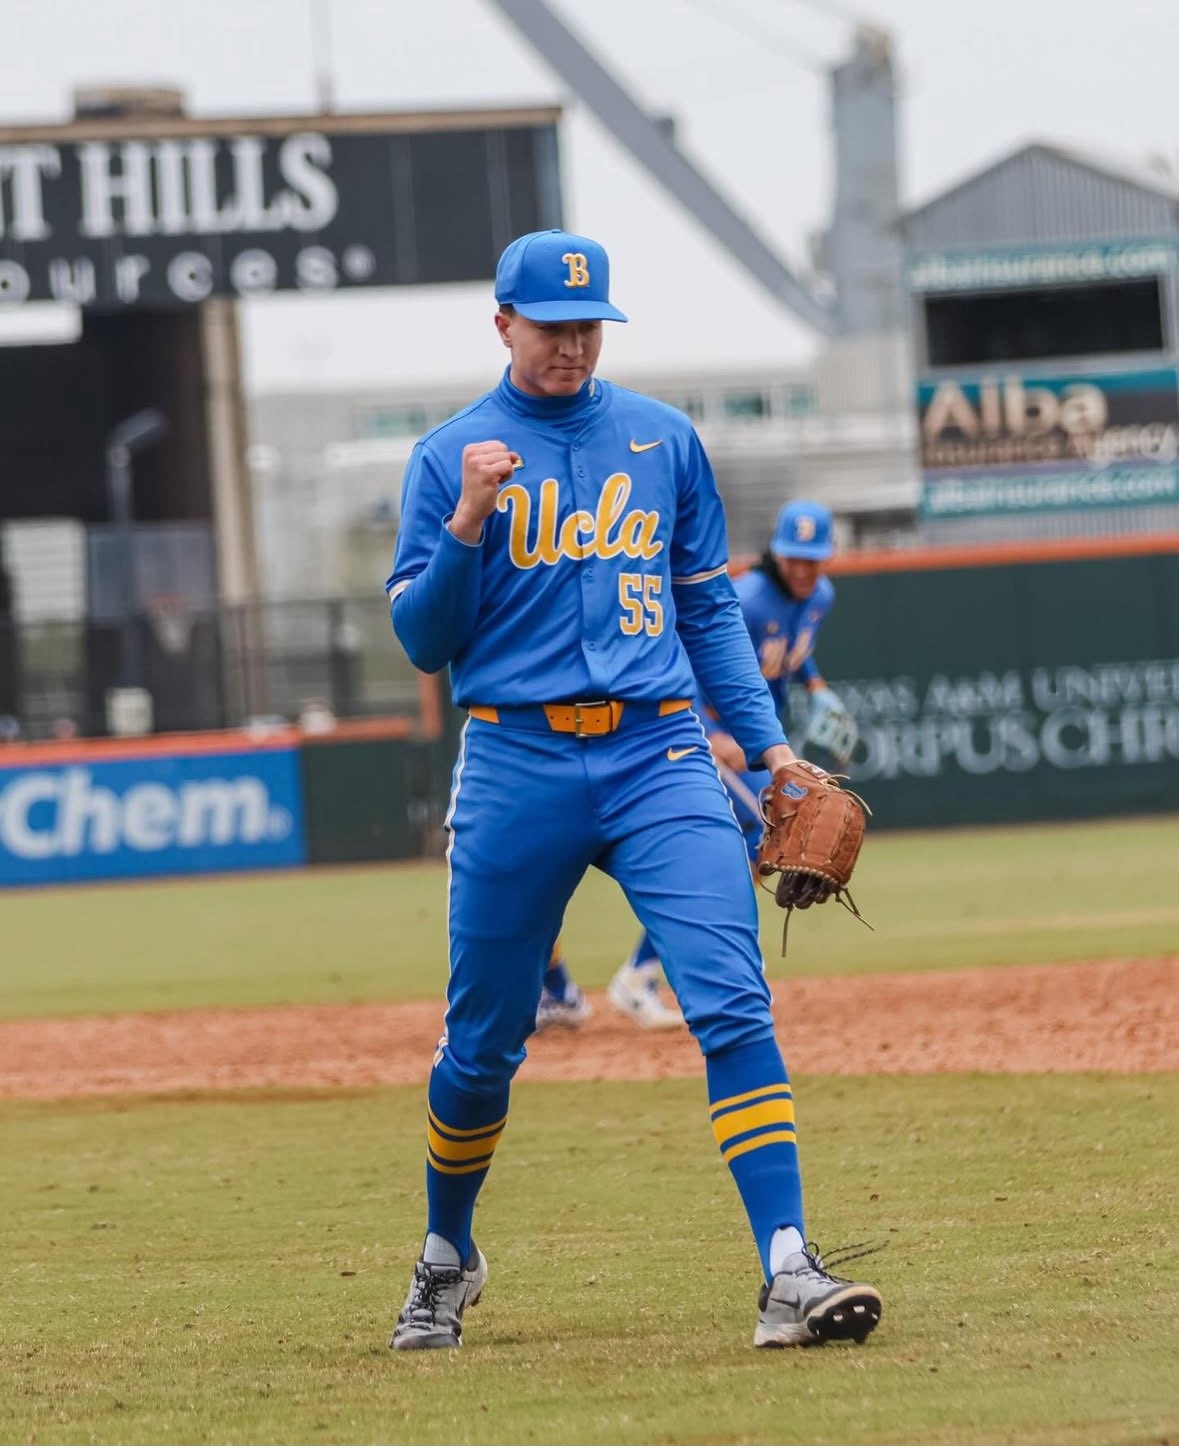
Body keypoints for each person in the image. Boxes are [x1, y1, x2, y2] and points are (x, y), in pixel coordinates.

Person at [384, 228, 882, 1352]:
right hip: (516, 755)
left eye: (588, 324)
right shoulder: (446, 455)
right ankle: (445, 1257)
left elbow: (709, 611)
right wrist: (465, 522)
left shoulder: (663, 441)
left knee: (729, 995)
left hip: (658, 751)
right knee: (483, 1043)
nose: (571, 343)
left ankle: (789, 1268)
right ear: (502, 324)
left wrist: (768, 755)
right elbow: (423, 639)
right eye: (551, 324)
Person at [543, 499, 854, 1029]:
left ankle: (643, 975)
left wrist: (817, 688)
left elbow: (794, 647)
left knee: (754, 843)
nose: (803, 569)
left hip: (752, 738)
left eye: (813, 559)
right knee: (754, 833)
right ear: (775, 554)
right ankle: (638, 977)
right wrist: (711, 733)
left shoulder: (819, 595)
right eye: (794, 557)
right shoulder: (749, 597)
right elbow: (690, 653)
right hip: (703, 731)